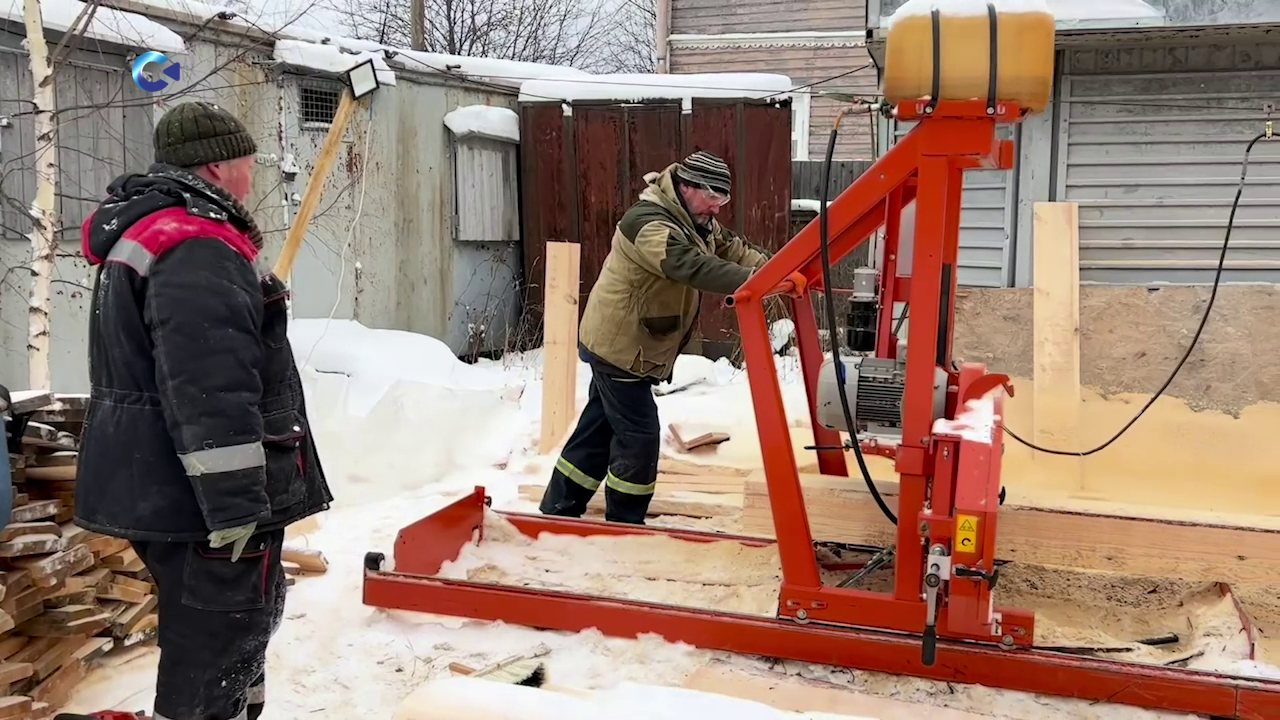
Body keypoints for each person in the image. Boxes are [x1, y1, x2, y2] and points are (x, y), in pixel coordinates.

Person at [58, 102, 333, 720]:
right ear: (217, 166)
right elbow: (210, 390)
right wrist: (235, 507)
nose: (254, 174)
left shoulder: (156, 231)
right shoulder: (195, 246)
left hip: (165, 481)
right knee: (215, 641)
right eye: (248, 162)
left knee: (233, 631)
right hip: (198, 500)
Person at [539, 151, 770, 525]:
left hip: (635, 346)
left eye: (723, 200)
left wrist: (784, 267)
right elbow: (689, 266)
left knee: (597, 431)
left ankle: (558, 510)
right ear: (687, 185)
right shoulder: (646, 222)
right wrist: (759, 283)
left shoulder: (697, 222)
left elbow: (737, 251)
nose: (716, 209)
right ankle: (626, 522)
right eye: (712, 197)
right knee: (640, 436)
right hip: (621, 347)